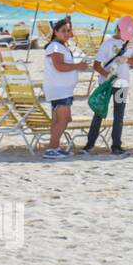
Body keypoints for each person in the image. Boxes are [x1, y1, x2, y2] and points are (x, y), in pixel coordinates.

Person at [82, 16, 133, 156]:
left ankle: (116, 146)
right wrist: (107, 75)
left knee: (119, 115)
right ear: (119, 29)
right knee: (99, 113)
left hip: (123, 83)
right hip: (106, 84)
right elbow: (96, 65)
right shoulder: (108, 43)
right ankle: (89, 144)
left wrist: (127, 59)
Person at [42, 17, 90, 159]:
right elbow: (59, 66)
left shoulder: (61, 46)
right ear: (55, 32)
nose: (66, 33)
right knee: (63, 119)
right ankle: (51, 148)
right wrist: (78, 66)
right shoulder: (55, 47)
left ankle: (55, 147)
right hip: (59, 88)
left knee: (59, 119)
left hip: (62, 88)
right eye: (63, 31)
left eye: (69, 30)